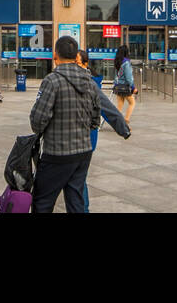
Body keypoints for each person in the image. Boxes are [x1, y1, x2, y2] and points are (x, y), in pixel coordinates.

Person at [28, 36, 102, 213]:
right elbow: (95, 120)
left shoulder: (52, 81)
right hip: (83, 152)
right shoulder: (91, 83)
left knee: (42, 202)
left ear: (55, 55)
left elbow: (37, 121)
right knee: (76, 201)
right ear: (76, 55)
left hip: (56, 153)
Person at [76, 49, 130, 209]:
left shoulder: (90, 84)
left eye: (79, 63)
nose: (76, 66)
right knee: (75, 181)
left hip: (86, 139)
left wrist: (123, 129)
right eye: (74, 63)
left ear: (86, 64)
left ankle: (83, 208)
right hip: (71, 139)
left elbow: (107, 109)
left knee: (78, 180)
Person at [112, 46, 136, 124]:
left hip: (118, 86)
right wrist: (133, 87)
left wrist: (115, 84)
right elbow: (129, 77)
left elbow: (116, 76)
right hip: (124, 87)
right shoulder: (126, 63)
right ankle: (126, 121)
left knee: (120, 105)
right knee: (132, 103)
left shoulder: (117, 62)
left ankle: (116, 122)